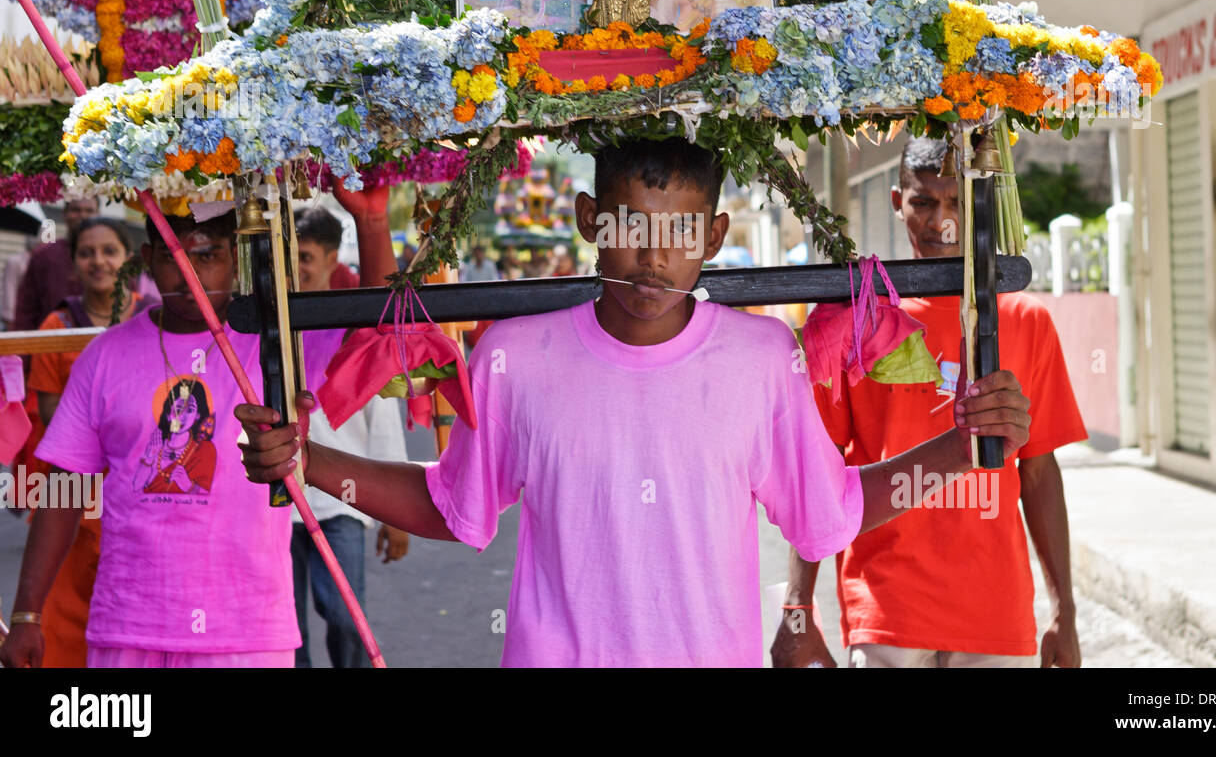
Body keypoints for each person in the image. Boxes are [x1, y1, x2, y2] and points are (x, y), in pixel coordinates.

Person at [235, 138, 1032, 667]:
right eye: (628, 228)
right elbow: (455, 506)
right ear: (589, 221)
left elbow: (831, 510)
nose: (654, 259)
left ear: (715, 238)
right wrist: (308, 462)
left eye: (681, 233)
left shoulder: (761, 361)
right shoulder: (513, 356)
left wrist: (961, 446)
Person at [0, 183, 393, 669]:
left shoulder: (278, 345)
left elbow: (381, 333)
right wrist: (26, 614)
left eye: (207, 255)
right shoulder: (104, 356)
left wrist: (373, 223)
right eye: (172, 257)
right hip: (127, 628)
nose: (189, 274)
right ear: (147, 258)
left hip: (246, 634)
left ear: (236, 257)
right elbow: (63, 488)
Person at [771, 137, 1087, 669]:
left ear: (980, 204)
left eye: (958, 202)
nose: (942, 221)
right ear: (898, 202)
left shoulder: (1027, 320)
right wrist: (797, 608)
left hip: (995, 614)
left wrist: (1065, 611)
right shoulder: (859, 317)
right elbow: (818, 473)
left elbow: (1038, 470)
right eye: (923, 202)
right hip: (886, 612)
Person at [21, 217, 146, 667]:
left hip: (140, 486)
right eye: (87, 252)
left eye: (109, 251)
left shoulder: (153, 319)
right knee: (67, 620)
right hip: (74, 487)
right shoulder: (55, 325)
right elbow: (56, 421)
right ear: (73, 263)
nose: (99, 261)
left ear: (130, 259)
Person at [291, 208, 409, 668]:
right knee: (287, 630)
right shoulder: (262, 323)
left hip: (341, 499)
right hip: (274, 502)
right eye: (287, 256)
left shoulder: (352, 324)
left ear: (331, 257)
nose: (296, 266)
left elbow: (383, 415)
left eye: (304, 256)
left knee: (345, 617)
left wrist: (392, 511)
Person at [12, 197, 99, 332]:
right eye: (76, 210)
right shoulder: (44, 255)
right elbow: (26, 310)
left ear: (98, 214)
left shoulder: (109, 257)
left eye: (89, 210)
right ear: (64, 213)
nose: (82, 215)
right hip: (50, 343)